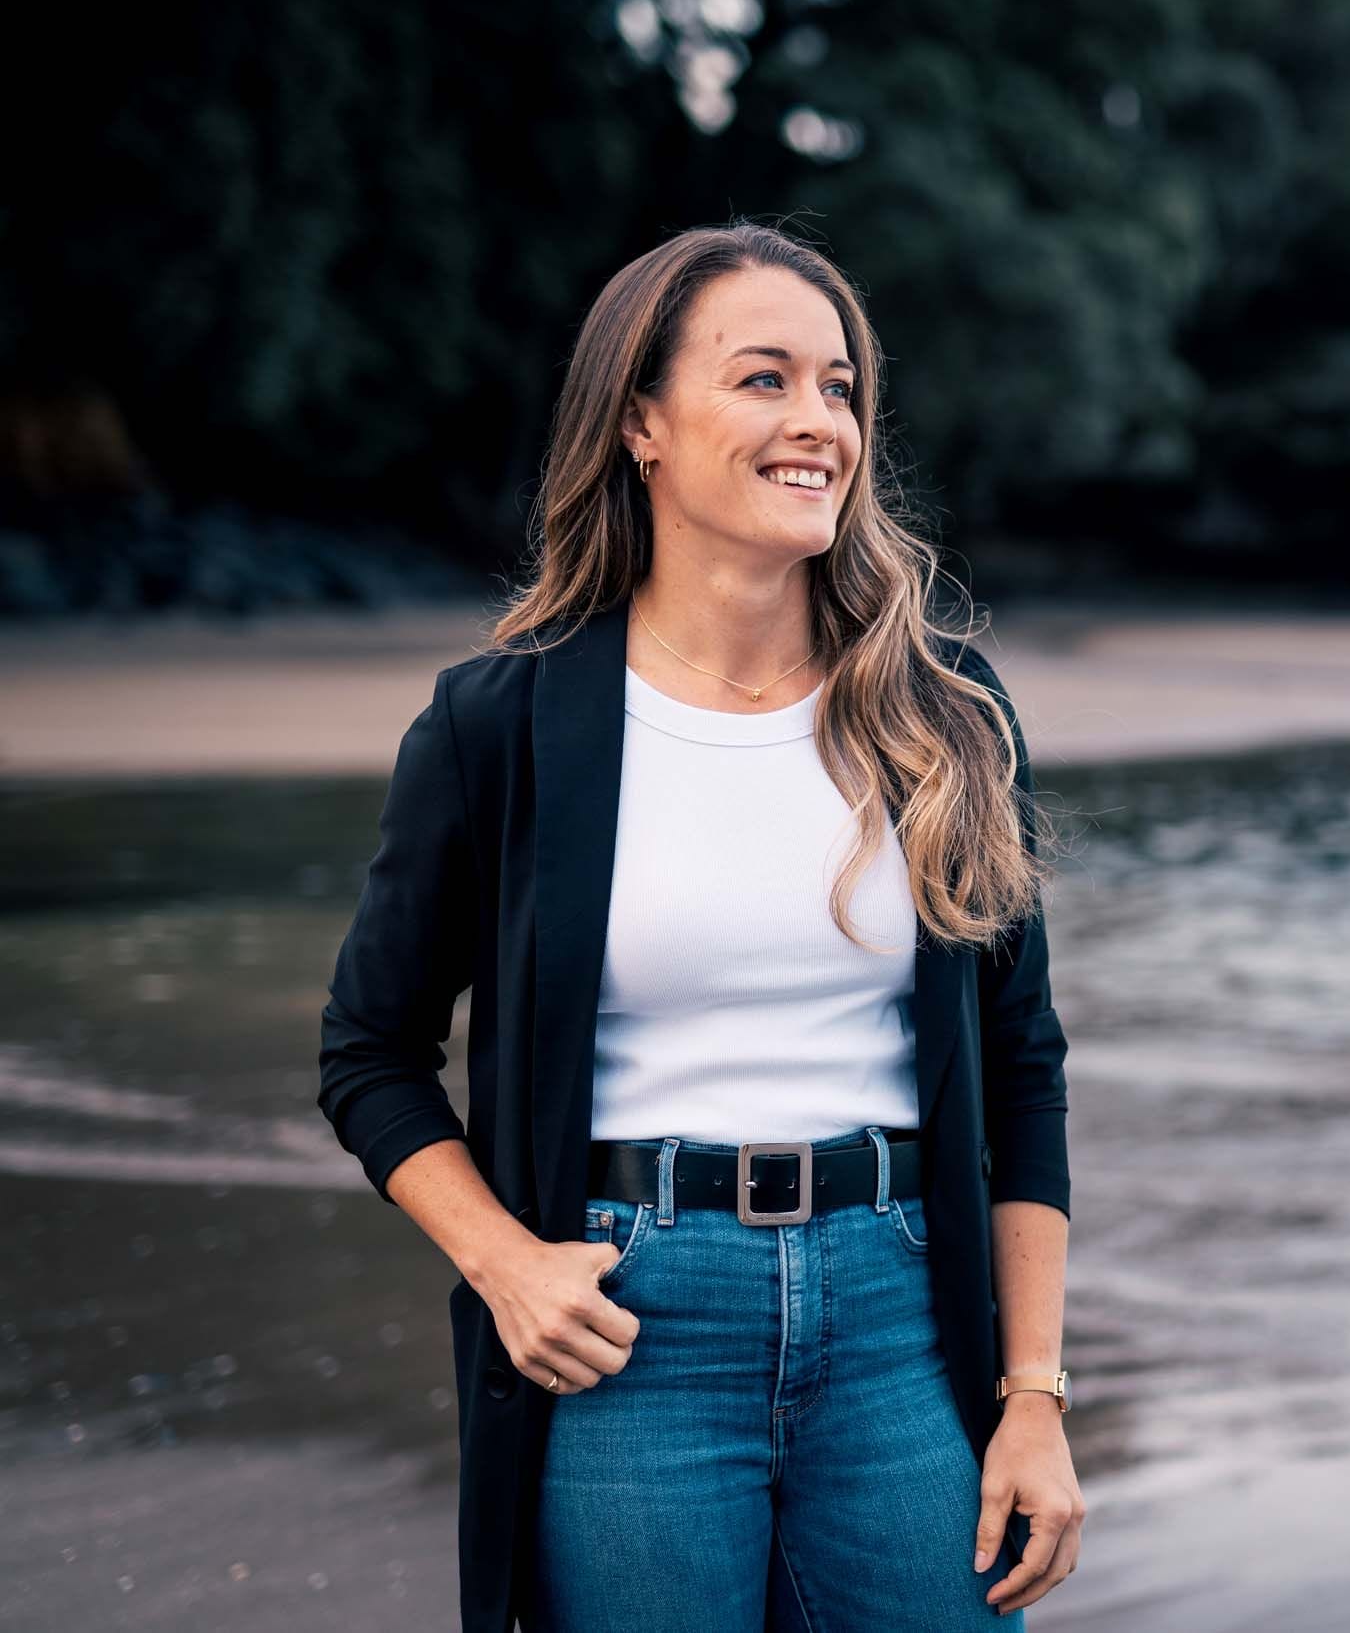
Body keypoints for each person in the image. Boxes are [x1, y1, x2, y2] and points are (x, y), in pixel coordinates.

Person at [316, 220, 1083, 1631]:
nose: (818, 423)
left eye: (841, 387)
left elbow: (1022, 1071)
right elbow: (368, 1051)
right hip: (628, 1331)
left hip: (905, 1320)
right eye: (765, 380)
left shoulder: (944, 714)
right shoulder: (501, 724)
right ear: (641, 426)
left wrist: (1033, 1395)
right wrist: (506, 1264)